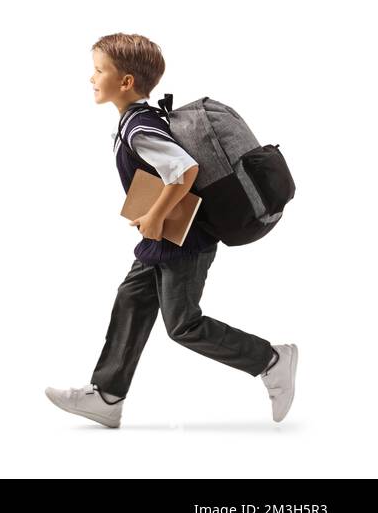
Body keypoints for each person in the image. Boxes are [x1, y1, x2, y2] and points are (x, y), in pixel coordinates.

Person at [44, 33, 296, 428]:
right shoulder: (137, 121)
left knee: (183, 325)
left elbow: (184, 170)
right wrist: (154, 222)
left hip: (184, 244)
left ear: (126, 82)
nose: (91, 78)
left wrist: (157, 216)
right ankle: (108, 396)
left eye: (98, 70)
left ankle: (271, 359)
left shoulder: (139, 127)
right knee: (132, 299)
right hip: (162, 241)